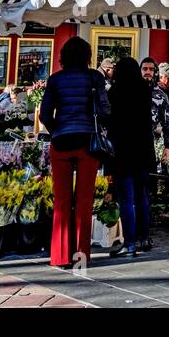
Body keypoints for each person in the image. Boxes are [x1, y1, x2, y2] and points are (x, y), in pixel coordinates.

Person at [39, 37, 111, 269]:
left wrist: (56, 129)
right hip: (88, 142)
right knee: (84, 200)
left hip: (61, 142)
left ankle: (60, 256)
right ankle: (81, 255)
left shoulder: (55, 79)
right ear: (87, 56)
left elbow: (45, 113)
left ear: (64, 56)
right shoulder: (95, 78)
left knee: (61, 200)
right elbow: (105, 110)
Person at [105, 57, 155, 257]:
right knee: (142, 195)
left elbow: (109, 120)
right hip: (142, 149)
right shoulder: (145, 90)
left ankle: (130, 243)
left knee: (126, 198)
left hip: (123, 151)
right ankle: (145, 238)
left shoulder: (115, 92)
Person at [141, 58, 169, 168]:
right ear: (140, 70)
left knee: (148, 179)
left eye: (151, 69)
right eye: (145, 69)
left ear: (155, 72)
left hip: (149, 144)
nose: (148, 72)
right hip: (129, 144)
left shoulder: (161, 95)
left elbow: (167, 122)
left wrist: (167, 146)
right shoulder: (132, 92)